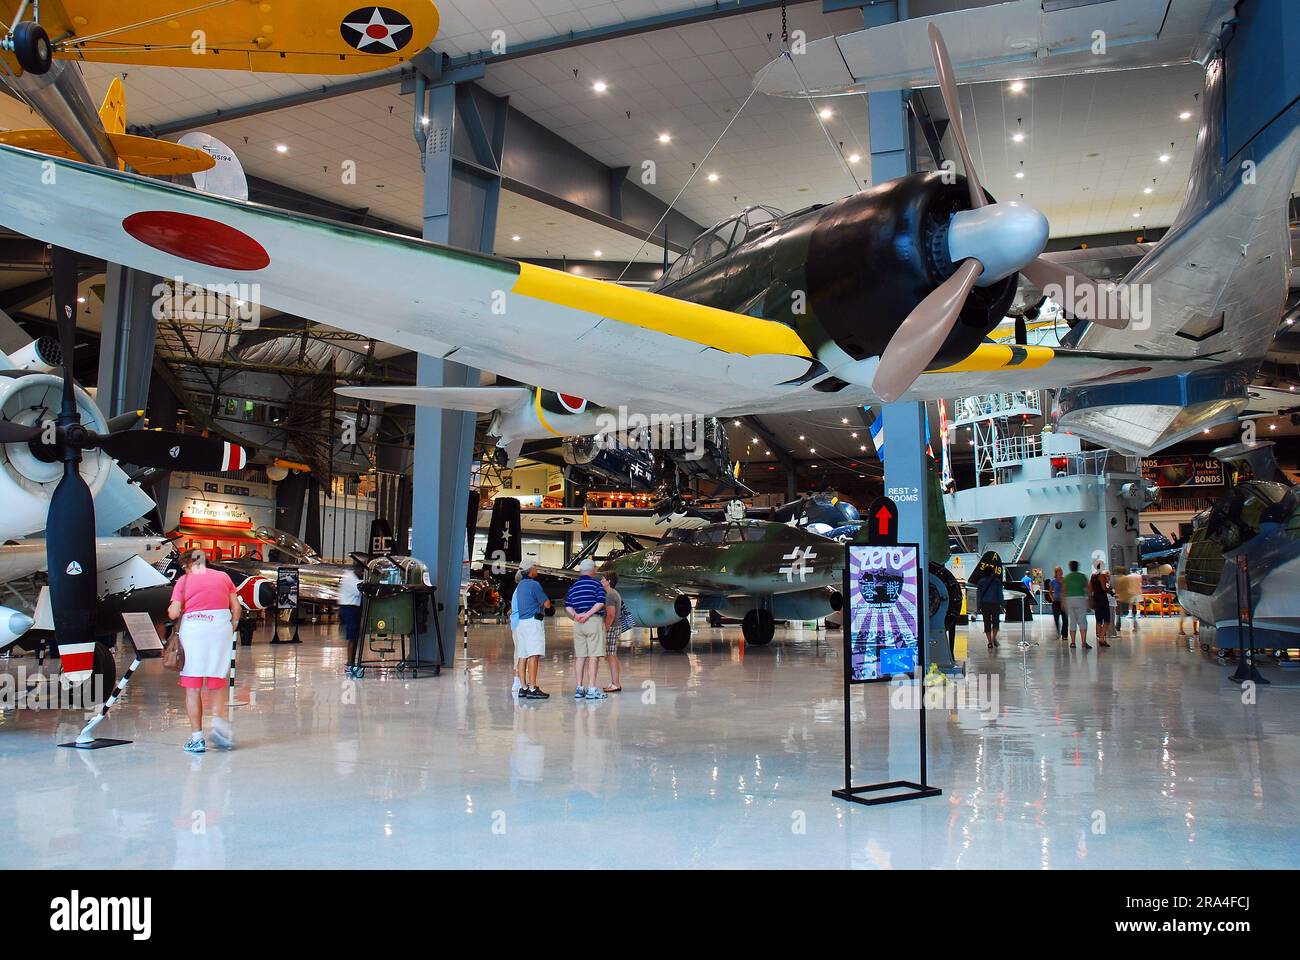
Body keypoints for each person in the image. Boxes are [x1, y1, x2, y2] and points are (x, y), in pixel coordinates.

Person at [167, 548, 242, 753]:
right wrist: (231, 626)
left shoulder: (183, 581)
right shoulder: (223, 577)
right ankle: (219, 727)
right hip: (221, 629)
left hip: (194, 630)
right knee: (217, 681)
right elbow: (236, 608)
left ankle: (197, 738)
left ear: (186, 565)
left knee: (193, 686)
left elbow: (174, 613)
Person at [565, 558, 606, 700]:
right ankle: (592, 689)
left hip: (578, 624)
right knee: (593, 656)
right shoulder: (596, 584)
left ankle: (579, 687)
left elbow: (568, 605)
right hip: (593, 621)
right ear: (592, 570)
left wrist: (576, 615)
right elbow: (600, 602)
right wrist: (588, 614)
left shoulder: (574, 586)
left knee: (580, 657)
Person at [512, 559, 552, 699]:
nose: (536, 569)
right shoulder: (535, 585)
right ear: (530, 570)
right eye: (535, 567)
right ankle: (533, 688)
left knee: (522, 656)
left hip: (521, 624)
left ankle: (523, 687)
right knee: (534, 655)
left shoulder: (520, 586)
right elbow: (546, 604)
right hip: (533, 623)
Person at [601, 572, 624, 693]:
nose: (601, 581)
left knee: (611, 655)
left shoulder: (610, 595)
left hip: (612, 628)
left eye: (603, 579)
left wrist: (605, 629)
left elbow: (610, 615)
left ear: (609, 581)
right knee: (611, 655)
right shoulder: (614, 594)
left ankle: (616, 683)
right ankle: (614, 682)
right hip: (615, 627)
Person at [338, 560, 363, 665]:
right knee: (352, 636)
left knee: (354, 636)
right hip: (349, 608)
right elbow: (359, 590)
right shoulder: (351, 579)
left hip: (351, 608)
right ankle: (349, 661)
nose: (362, 574)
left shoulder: (350, 576)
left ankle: (352, 659)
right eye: (362, 572)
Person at [1062, 560, 1091, 649]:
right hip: (1080, 599)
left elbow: (1063, 590)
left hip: (1069, 600)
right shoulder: (1082, 576)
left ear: (1070, 567)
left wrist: (1062, 602)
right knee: (1082, 620)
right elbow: (1088, 589)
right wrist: (1089, 601)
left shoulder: (1066, 577)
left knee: (1072, 620)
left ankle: (1073, 642)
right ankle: (1083, 642)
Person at [976, 567, 1004, 649]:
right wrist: (1002, 604)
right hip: (995, 604)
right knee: (996, 622)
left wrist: (978, 607)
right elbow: (1000, 594)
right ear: (992, 572)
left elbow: (979, 595)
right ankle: (993, 638)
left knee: (986, 623)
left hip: (985, 605)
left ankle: (989, 642)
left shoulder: (980, 582)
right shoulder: (997, 582)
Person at [1090, 566, 1115, 648]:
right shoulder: (1101, 576)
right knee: (1107, 620)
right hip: (1102, 600)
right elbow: (1104, 587)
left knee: (1099, 620)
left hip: (1096, 599)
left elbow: (1090, 588)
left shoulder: (1093, 576)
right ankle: (1101, 638)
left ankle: (1099, 637)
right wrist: (1111, 591)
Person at [1047, 566, 1067, 640]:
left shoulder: (1064, 580)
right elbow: (1050, 591)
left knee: (1065, 619)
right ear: (1056, 572)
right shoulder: (1053, 581)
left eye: (1060, 570)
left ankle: (1064, 634)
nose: (1060, 572)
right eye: (1058, 571)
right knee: (1056, 618)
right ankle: (1058, 632)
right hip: (1056, 601)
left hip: (1063, 601)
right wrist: (1052, 599)